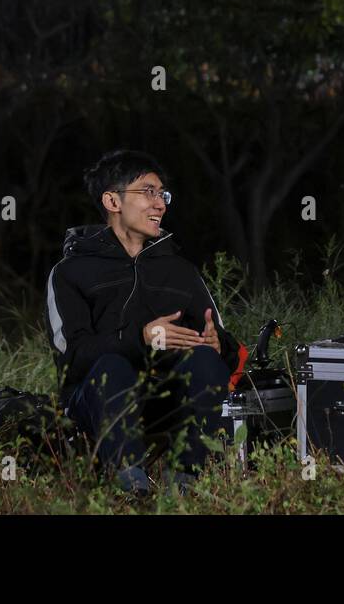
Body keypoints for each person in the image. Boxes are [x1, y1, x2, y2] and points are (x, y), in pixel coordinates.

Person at [44, 149, 244, 496]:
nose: (160, 204)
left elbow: (223, 344)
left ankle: (183, 484)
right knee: (111, 366)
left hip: (161, 402)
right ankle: (131, 488)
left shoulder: (180, 270)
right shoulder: (70, 272)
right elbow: (73, 356)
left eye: (162, 194)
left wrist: (218, 344)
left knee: (206, 361)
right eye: (147, 192)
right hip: (95, 402)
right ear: (112, 200)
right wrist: (142, 337)